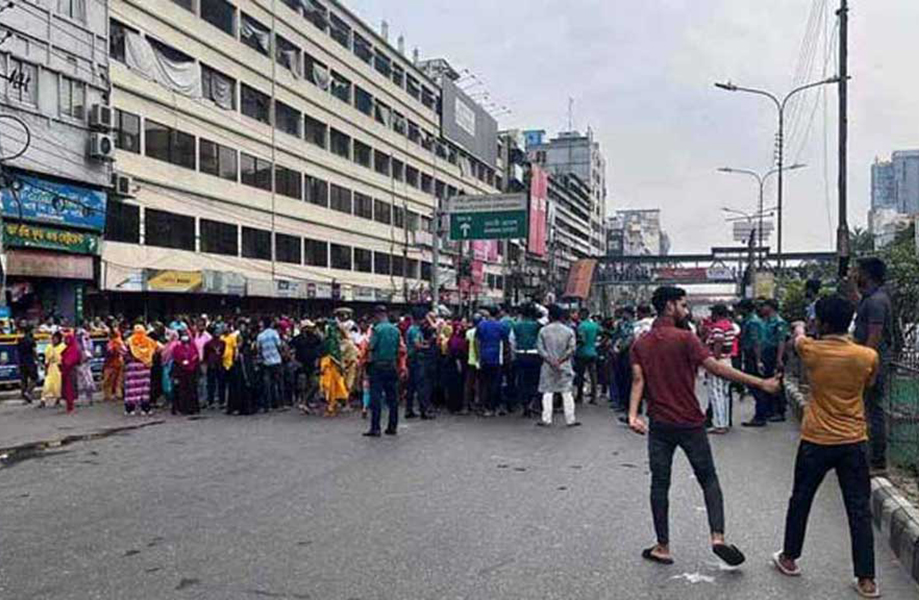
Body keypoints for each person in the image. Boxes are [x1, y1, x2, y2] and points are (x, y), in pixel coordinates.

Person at [628, 286, 780, 567]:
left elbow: (638, 380)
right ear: (670, 306)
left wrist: (633, 414)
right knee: (708, 479)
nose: (686, 311)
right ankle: (717, 537)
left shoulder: (641, 343)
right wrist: (761, 383)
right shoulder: (686, 339)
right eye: (683, 305)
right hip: (690, 423)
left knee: (660, 484)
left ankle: (662, 546)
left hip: (660, 424)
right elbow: (718, 368)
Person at [772, 295, 880, 599]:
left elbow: (798, 338)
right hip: (854, 440)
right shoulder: (867, 356)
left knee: (801, 499)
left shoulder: (811, 350)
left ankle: (789, 558)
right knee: (859, 509)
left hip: (816, 440)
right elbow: (869, 385)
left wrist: (799, 326)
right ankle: (867, 580)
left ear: (821, 323)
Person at [852, 257, 894, 474]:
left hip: (874, 363)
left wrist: (866, 364)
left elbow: (874, 335)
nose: (855, 274)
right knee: (867, 408)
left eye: (858, 271)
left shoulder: (877, 301)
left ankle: (877, 461)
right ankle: (869, 456)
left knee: (873, 409)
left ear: (867, 274)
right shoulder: (870, 298)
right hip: (871, 360)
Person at [536, 304, 578, 427]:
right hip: (564, 365)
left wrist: (550, 360)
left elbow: (540, 349)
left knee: (547, 392)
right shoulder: (568, 331)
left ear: (550, 316)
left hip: (548, 365)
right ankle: (570, 419)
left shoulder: (543, 331)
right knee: (566, 392)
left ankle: (546, 419)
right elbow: (572, 349)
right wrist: (561, 360)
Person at [364, 305, 401, 437]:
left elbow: (371, 348)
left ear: (377, 315)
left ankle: (375, 428)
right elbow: (399, 349)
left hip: (378, 366)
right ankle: (392, 426)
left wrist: (367, 365)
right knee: (393, 398)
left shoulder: (377, 329)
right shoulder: (396, 330)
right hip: (392, 365)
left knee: (376, 397)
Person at [704, 304, 736, 434]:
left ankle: (719, 424)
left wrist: (713, 361)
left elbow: (718, 344)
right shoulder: (729, 326)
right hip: (727, 361)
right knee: (725, 394)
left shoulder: (718, 327)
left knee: (716, 394)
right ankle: (725, 422)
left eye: (713, 313)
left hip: (718, 362)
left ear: (717, 314)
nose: (711, 315)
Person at [476, 308, 509, 417]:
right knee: (495, 383)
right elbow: (506, 342)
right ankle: (493, 407)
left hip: (484, 357)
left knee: (484, 383)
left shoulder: (481, 325)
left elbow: (477, 341)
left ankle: (484, 407)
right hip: (496, 358)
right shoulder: (501, 326)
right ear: (498, 314)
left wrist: (478, 356)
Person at [513, 305, 542, 418]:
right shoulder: (537, 325)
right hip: (534, 354)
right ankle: (532, 403)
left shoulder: (516, 325)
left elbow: (512, 341)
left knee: (522, 381)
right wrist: (538, 306)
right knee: (534, 381)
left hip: (520, 354)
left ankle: (525, 405)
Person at [125, 324, 157, 416]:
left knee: (131, 389)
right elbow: (157, 349)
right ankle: (145, 408)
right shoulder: (149, 341)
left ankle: (130, 409)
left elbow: (123, 352)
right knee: (144, 389)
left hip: (132, 368)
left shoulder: (129, 341)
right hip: (145, 367)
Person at [574, 309, 601, 404]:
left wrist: (575, 345)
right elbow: (603, 333)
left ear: (582, 315)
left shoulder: (581, 326)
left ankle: (579, 396)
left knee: (580, 375)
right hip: (593, 352)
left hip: (581, 353)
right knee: (593, 375)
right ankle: (594, 397)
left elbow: (582, 339)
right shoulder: (595, 325)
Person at [256, 318, 283, 412]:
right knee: (279, 383)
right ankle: (280, 404)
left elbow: (258, 349)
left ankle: (268, 405)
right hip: (276, 360)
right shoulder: (274, 333)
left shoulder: (260, 336)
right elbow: (279, 346)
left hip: (266, 362)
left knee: (267, 384)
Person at [40, 332, 65, 408]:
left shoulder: (63, 347)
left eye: (55, 338)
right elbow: (46, 360)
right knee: (47, 385)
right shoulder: (49, 347)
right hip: (51, 367)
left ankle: (58, 400)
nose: (54, 340)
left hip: (58, 368)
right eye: (53, 338)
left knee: (58, 385)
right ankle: (43, 400)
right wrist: (46, 369)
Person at [102, 328, 126, 403]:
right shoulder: (119, 342)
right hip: (117, 363)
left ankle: (110, 395)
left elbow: (110, 352)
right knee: (117, 380)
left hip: (112, 363)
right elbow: (124, 351)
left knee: (109, 380)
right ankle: (116, 394)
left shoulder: (114, 343)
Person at [60, 333, 81, 413]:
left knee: (70, 389)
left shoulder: (73, 349)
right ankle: (69, 406)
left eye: (67, 339)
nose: (66, 341)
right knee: (67, 389)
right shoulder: (68, 348)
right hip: (66, 371)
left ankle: (70, 407)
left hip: (70, 371)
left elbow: (71, 361)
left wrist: (65, 364)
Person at [76, 326, 95, 406]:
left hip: (86, 364)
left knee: (88, 381)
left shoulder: (88, 342)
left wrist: (85, 356)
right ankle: (81, 400)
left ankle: (90, 399)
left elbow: (91, 353)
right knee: (80, 383)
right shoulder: (76, 343)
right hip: (78, 364)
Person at [17, 325, 37, 403]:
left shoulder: (20, 340)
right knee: (34, 378)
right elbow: (34, 351)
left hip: (22, 361)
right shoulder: (31, 340)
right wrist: (38, 360)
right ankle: (28, 392)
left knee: (24, 379)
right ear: (30, 331)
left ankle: (25, 398)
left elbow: (17, 352)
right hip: (30, 361)